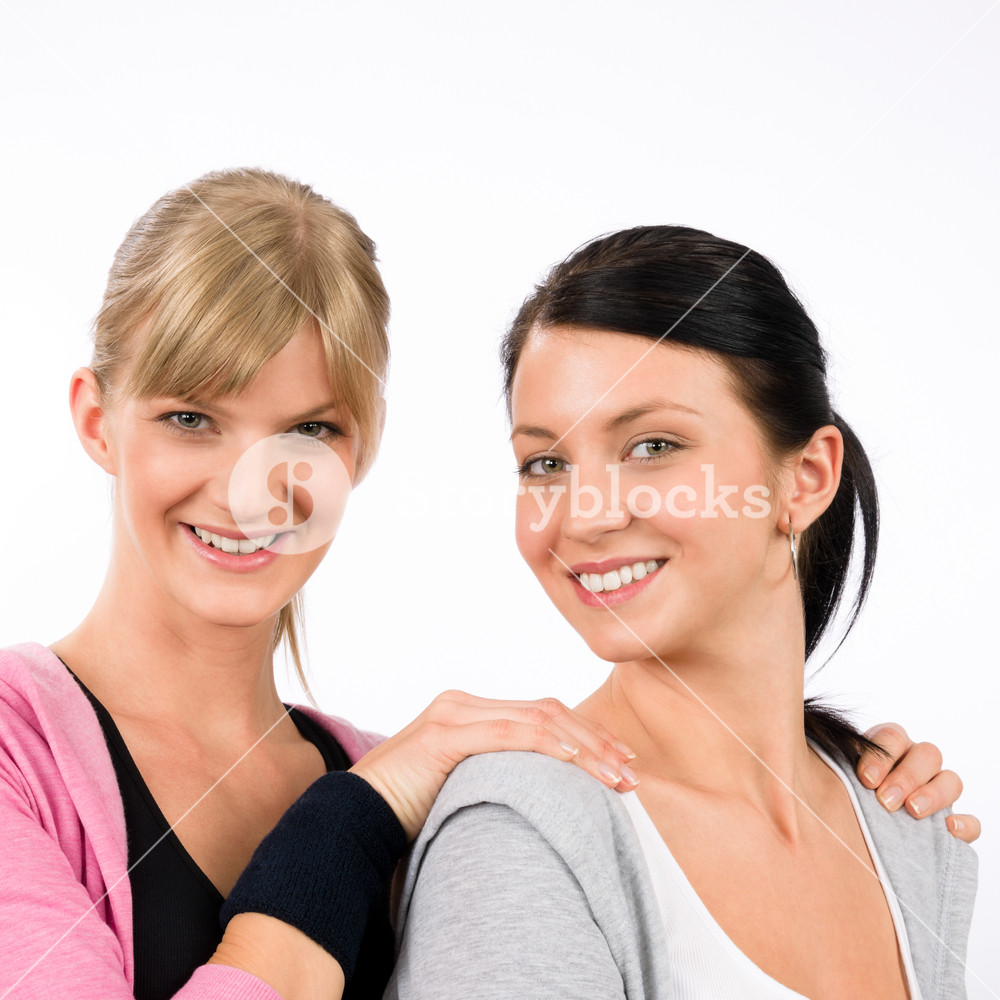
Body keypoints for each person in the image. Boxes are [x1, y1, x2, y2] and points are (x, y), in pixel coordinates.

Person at [0, 178, 970, 1000]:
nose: (253, 486)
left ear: (363, 443)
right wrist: (352, 817)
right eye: (190, 417)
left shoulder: (413, 779)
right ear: (95, 418)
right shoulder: (415, 798)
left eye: (310, 430)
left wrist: (853, 784)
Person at [387, 226, 979, 999]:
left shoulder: (907, 823)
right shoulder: (520, 835)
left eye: (653, 445)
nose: (585, 515)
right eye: (546, 463)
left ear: (804, 479)